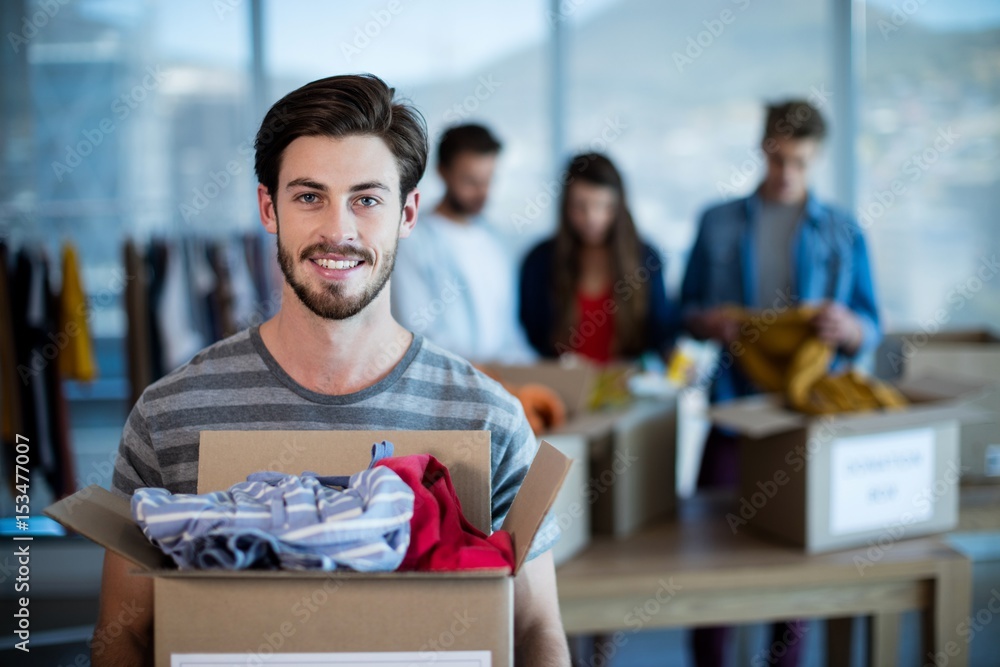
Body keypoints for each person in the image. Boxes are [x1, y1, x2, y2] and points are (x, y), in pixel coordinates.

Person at [96, 74, 570, 667]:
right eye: (308, 196)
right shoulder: (170, 416)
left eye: (367, 199)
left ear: (408, 212)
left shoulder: (489, 420)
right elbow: (125, 639)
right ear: (270, 208)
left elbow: (536, 635)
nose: (338, 230)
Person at [680, 100, 881, 667]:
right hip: (732, 405)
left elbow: (872, 322)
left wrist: (850, 327)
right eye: (777, 158)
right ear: (762, 147)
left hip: (805, 415)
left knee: (796, 564)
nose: (786, 171)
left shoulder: (843, 230)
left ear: (815, 158)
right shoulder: (717, 222)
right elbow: (685, 308)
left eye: (799, 161)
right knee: (708, 550)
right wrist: (708, 322)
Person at [390, 123, 534, 363]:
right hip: (444, 385)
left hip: (500, 384)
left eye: (488, 180)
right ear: (443, 172)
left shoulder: (496, 242)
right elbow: (417, 331)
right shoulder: (412, 241)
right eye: (470, 181)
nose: (481, 192)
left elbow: (508, 334)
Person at [519, 152, 677, 364]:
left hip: (626, 386)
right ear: (565, 206)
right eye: (580, 206)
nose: (592, 218)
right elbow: (530, 336)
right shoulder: (539, 261)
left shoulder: (646, 258)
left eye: (604, 206)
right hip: (560, 386)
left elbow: (660, 331)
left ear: (619, 206)